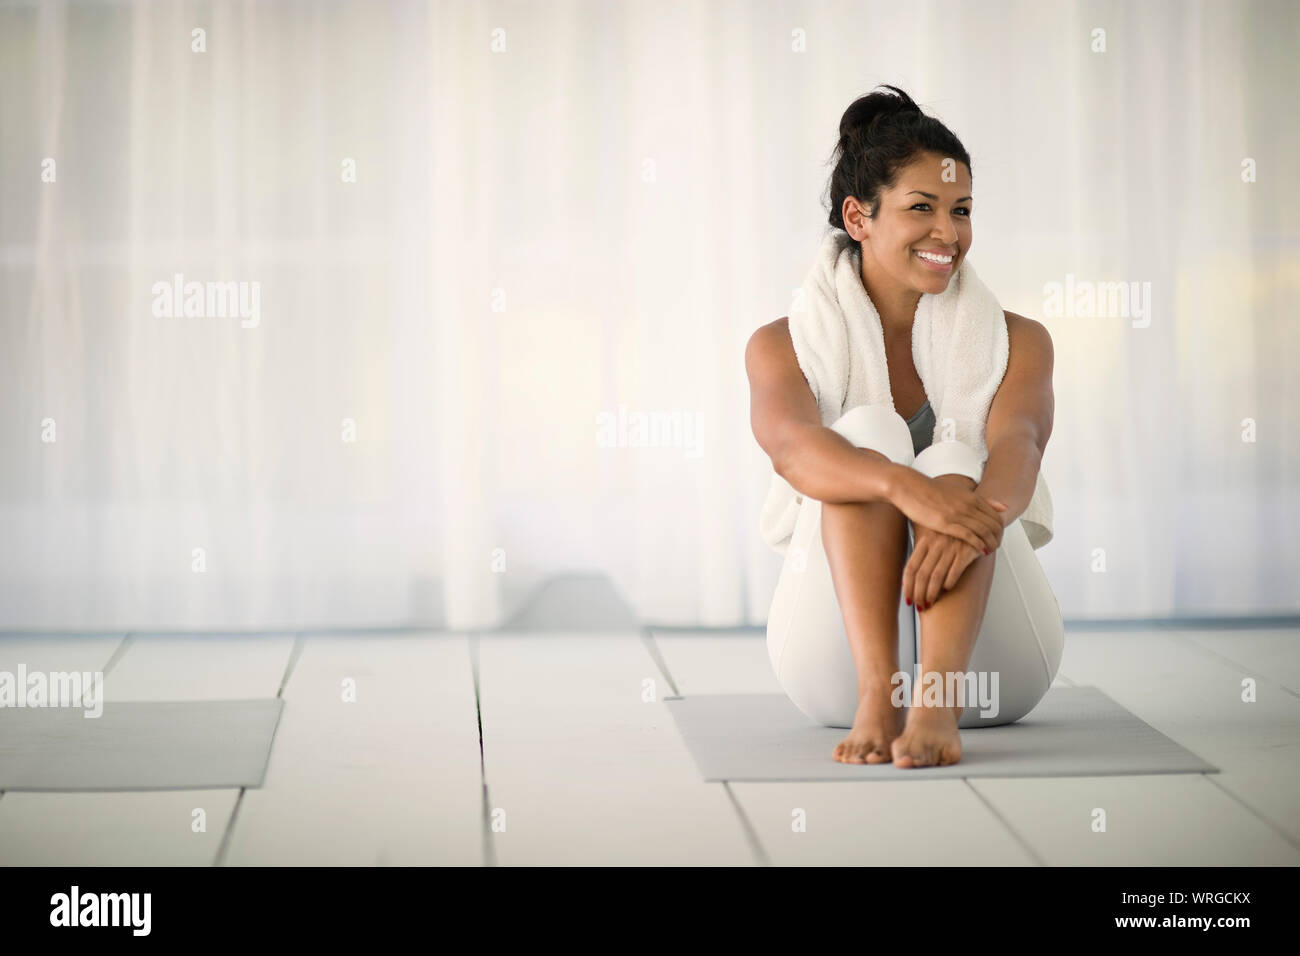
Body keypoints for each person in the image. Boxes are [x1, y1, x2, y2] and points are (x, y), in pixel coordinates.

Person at [745, 86, 1064, 769]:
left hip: (995, 671)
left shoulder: (1020, 341)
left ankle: (936, 706)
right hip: (832, 671)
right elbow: (793, 449)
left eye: (962, 210)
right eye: (922, 208)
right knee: (864, 430)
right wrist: (907, 490)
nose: (948, 233)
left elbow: (1020, 443)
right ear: (858, 217)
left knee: (957, 448)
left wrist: (969, 511)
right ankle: (880, 699)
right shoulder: (781, 344)